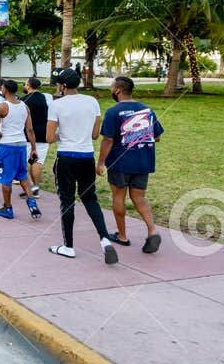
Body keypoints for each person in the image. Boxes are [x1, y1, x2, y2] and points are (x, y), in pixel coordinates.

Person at [45, 68, 117, 264]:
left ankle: (68, 246)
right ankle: (104, 239)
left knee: (66, 201)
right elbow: (95, 135)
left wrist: (62, 134)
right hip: (87, 156)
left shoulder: (56, 104)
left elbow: (49, 137)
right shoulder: (92, 102)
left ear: (63, 86)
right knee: (90, 199)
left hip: (66, 157)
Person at [99, 76, 163, 253]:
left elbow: (108, 139)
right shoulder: (147, 110)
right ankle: (152, 230)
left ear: (118, 90)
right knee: (139, 198)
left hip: (120, 163)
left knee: (118, 197)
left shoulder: (113, 112)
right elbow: (156, 136)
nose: (111, 90)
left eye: (112, 87)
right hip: (143, 161)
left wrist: (100, 163)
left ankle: (122, 236)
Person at [0, 80, 36, 220]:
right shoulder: (25, 106)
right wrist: (34, 148)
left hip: (7, 146)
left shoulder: (0, 107)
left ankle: (8, 207)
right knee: (23, 176)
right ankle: (32, 201)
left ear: (4, 89)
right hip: (22, 145)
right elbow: (29, 129)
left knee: (6, 178)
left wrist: (1, 135)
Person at [22, 77, 53, 198]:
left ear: (29, 85)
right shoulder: (46, 99)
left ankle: (30, 187)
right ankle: (35, 187)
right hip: (43, 133)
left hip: (27, 134)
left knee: (23, 162)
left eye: (25, 84)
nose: (24, 86)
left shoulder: (23, 100)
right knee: (37, 161)